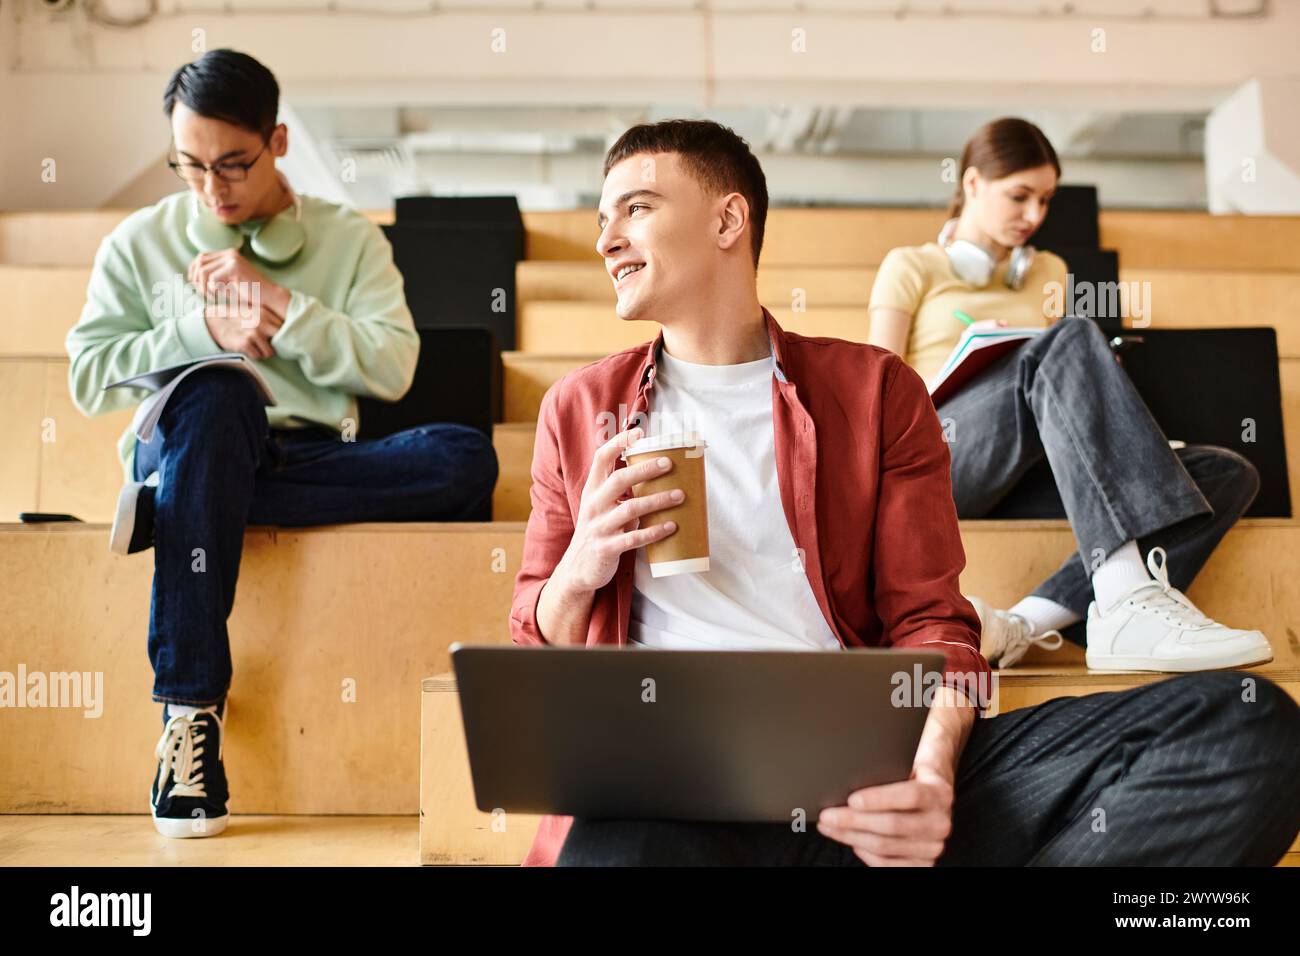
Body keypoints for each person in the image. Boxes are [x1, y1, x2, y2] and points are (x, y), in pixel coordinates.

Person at [508, 119, 1300, 867]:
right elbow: (534, 653)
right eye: (604, 216)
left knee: (1247, 727)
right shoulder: (579, 410)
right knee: (611, 849)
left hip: (868, 768)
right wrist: (581, 564)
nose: (607, 238)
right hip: (671, 789)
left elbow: (934, 623)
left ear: (728, 221)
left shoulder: (874, 389)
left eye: (636, 209)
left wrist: (930, 772)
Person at [65, 49, 498, 839]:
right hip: (189, 438)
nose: (210, 187)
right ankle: (191, 711)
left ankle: (182, 509)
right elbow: (87, 376)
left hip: (312, 457)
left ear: (279, 141)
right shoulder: (138, 241)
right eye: (188, 165)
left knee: (464, 456)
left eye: (233, 163)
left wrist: (280, 305)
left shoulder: (349, 240)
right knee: (218, 388)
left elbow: (394, 367)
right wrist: (203, 328)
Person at [868, 117, 1271, 673]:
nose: (1034, 216)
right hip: (943, 460)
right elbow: (874, 403)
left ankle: (1022, 625)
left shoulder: (1050, 270)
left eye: (1046, 200)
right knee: (1071, 337)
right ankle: (1128, 598)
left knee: (1226, 473)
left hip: (1028, 467)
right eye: (1020, 196)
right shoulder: (910, 267)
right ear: (972, 184)